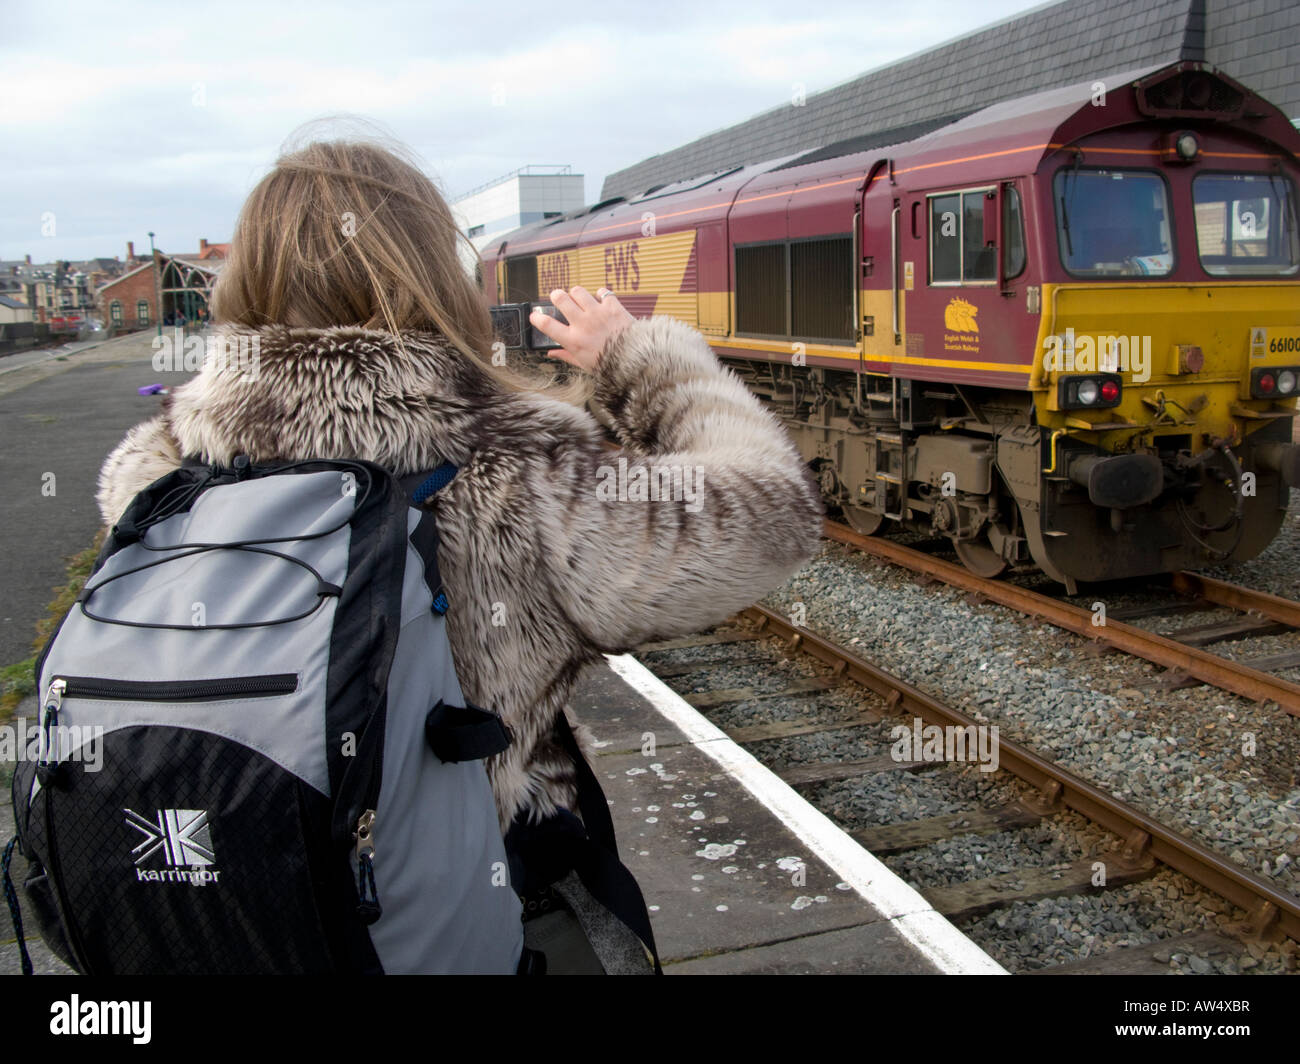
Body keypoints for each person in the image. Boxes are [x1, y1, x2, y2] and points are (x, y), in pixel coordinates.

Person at [94, 133, 824, 972]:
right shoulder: (519, 469)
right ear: (435, 273)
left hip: (237, 912)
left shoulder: (160, 473)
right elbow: (770, 512)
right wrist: (639, 354)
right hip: (475, 908)